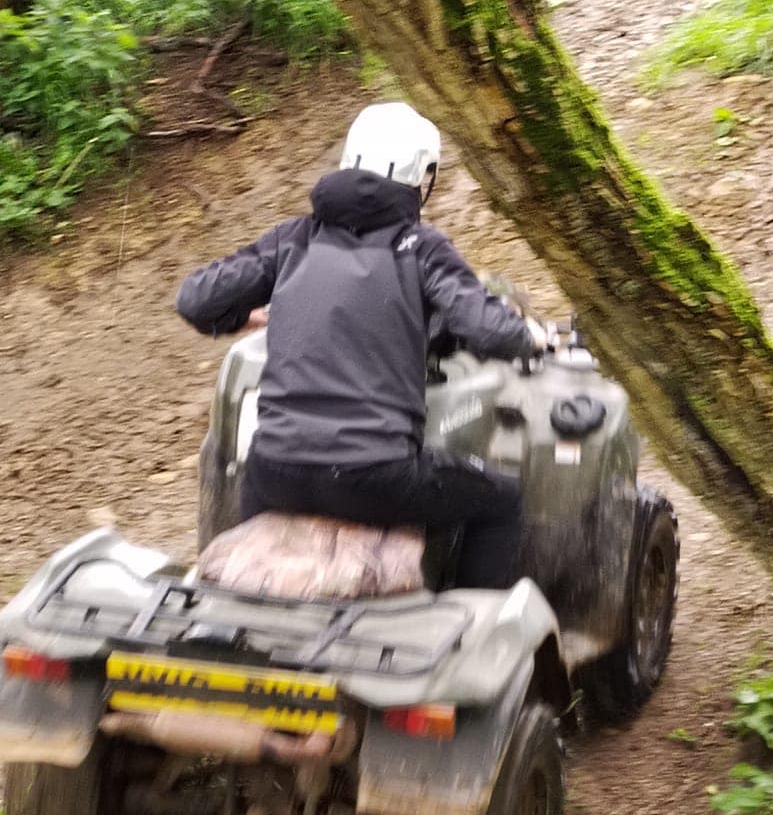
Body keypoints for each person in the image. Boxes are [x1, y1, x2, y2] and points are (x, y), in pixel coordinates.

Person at [174, 101, 550, 589]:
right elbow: (486, 327)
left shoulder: (295, 238)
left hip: (275, 473)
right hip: (372, 477)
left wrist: (246, 315)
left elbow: (195, 299)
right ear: (423, 176)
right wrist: (531, 337)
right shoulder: (420, 246)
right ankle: (475, 628)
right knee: (498, 498)